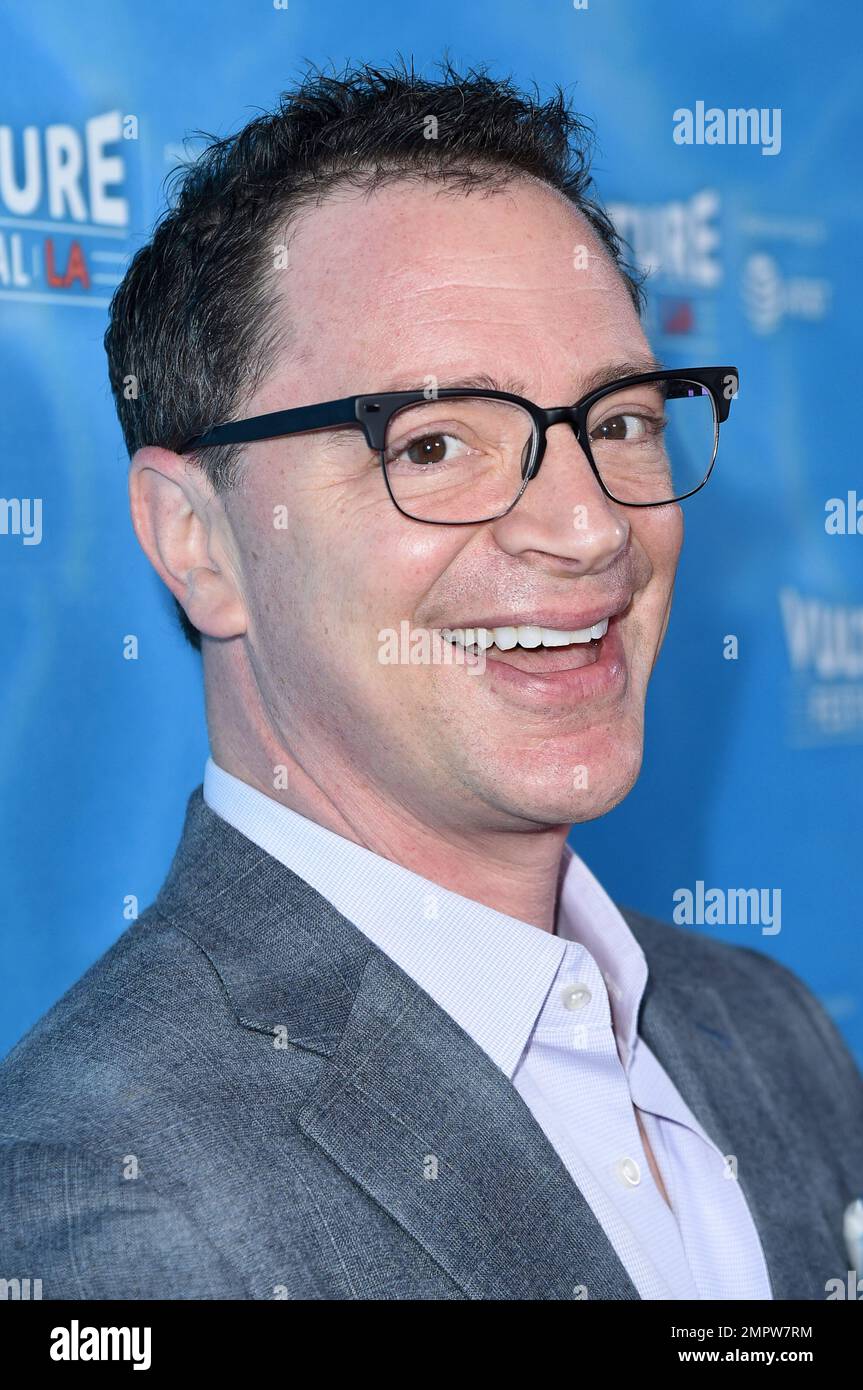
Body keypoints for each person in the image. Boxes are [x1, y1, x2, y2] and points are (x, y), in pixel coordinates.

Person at [1, 59, 860, 1301]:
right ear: (200, 542)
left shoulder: (764, 1026)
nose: (586, 529)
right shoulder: (98, 1203)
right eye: (437, 442)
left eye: (618, 419)